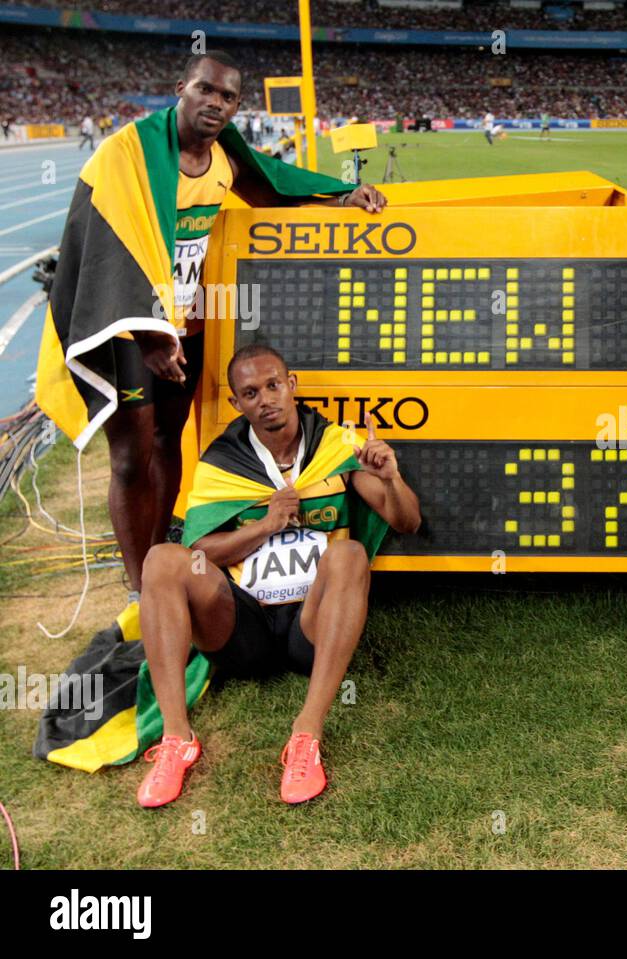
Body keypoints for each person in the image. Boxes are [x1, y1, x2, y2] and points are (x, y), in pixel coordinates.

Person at [37, 51, 387, 620]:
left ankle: (161, 554)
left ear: (236, 106)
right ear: (182, 88)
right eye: (205, 90)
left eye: (227, 97)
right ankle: (139, 585)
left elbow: (271, 188)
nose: (215, 104)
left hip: (189, 327)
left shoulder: (224, 156)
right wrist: (149, 331)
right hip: (130, 331)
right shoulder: (130, 153)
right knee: (130, 453)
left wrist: (339, 195)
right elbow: (103, 245)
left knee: (168, 440)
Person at [136, 345, 423, 807]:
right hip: (241, 625)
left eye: (273, 385)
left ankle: (306, 735)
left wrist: (391, 479)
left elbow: (407, 522)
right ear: (237, 404)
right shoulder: (222, 460)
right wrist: (266, 526)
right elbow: (199, 552)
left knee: (348, 553)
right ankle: (176, 740)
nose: (266, 398)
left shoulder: (336, 448)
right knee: (162, 561)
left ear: (291, 386)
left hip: (312, 625)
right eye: (250, 393)